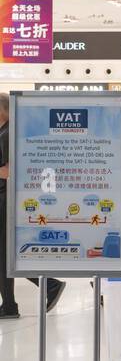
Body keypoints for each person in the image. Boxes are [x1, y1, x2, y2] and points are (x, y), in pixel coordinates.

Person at [0, 93, 65, 319]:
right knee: (6, 255)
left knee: (6, 255)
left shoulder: (8, 134)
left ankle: (16, 302)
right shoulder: (9, 132)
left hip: (6, 200)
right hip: (8, 199)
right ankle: (12, 303)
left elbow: (10, 171)